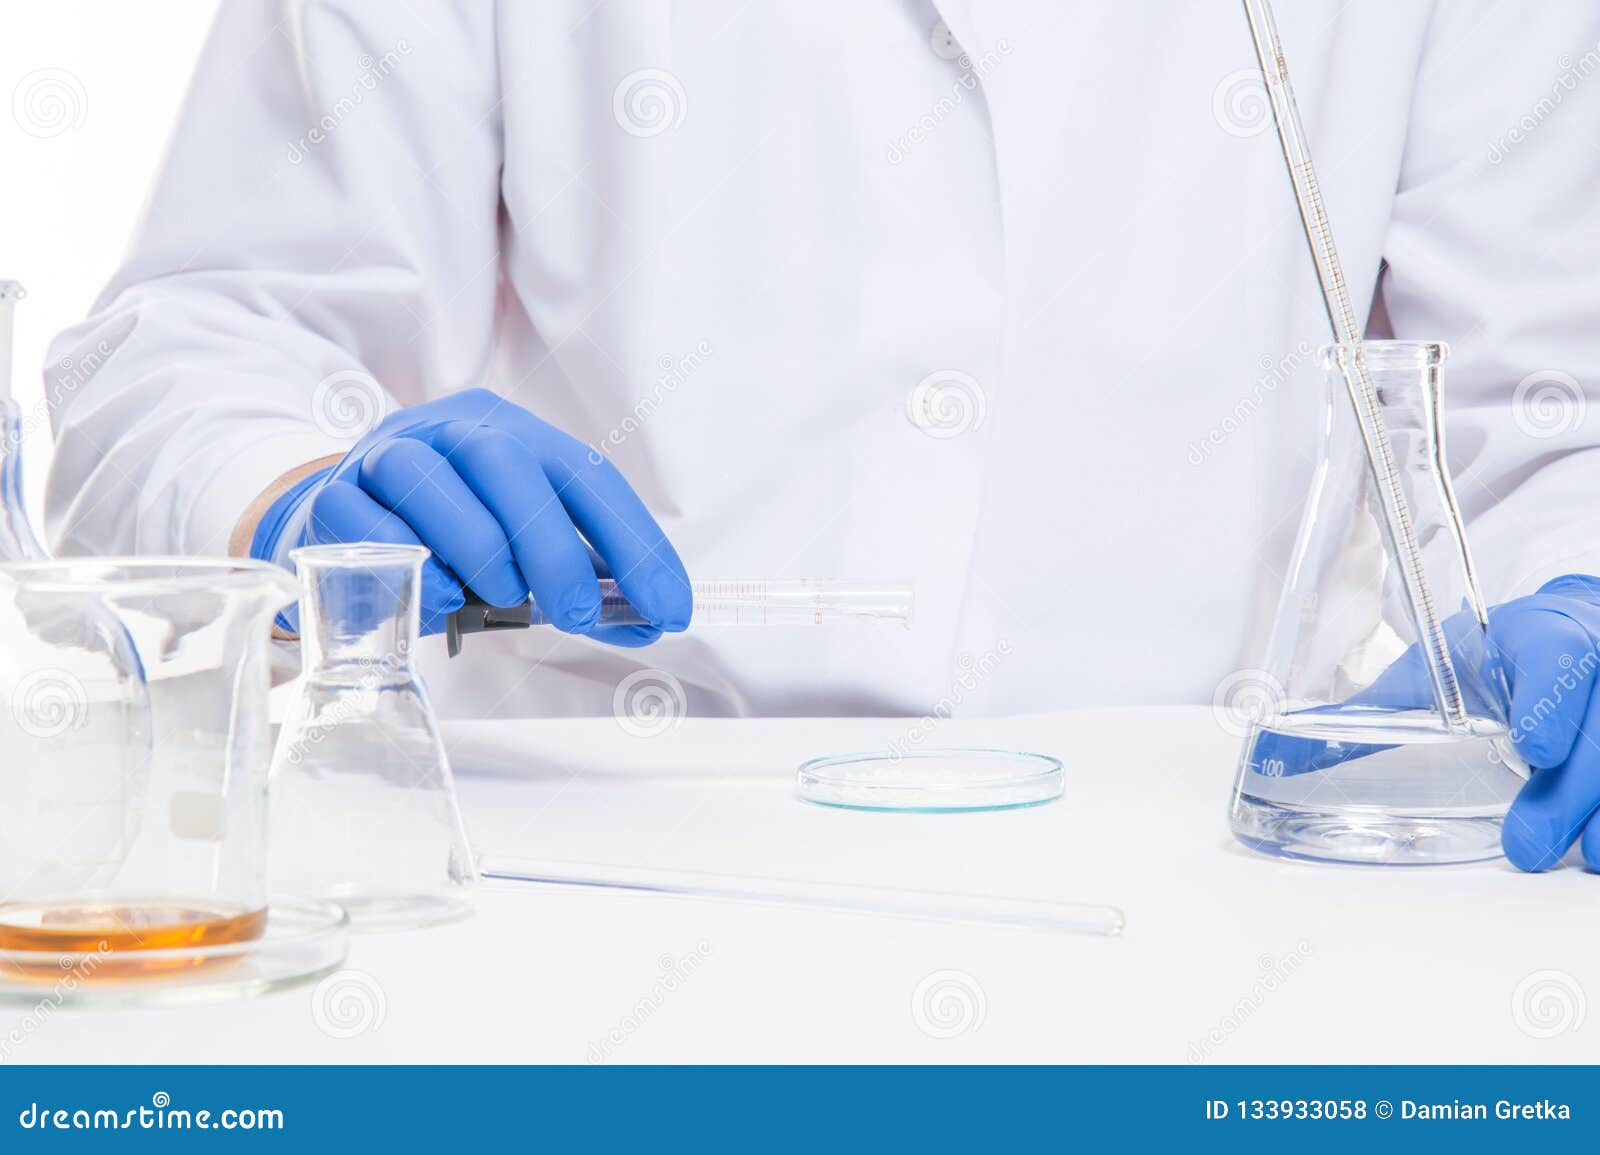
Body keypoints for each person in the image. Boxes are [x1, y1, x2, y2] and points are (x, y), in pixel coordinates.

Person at [42, 1, 1600, 870]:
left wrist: (1577, 595)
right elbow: (196, 339)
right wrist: (305, 489)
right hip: (584, 863)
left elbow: (1555, 415)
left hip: (1204, 858)